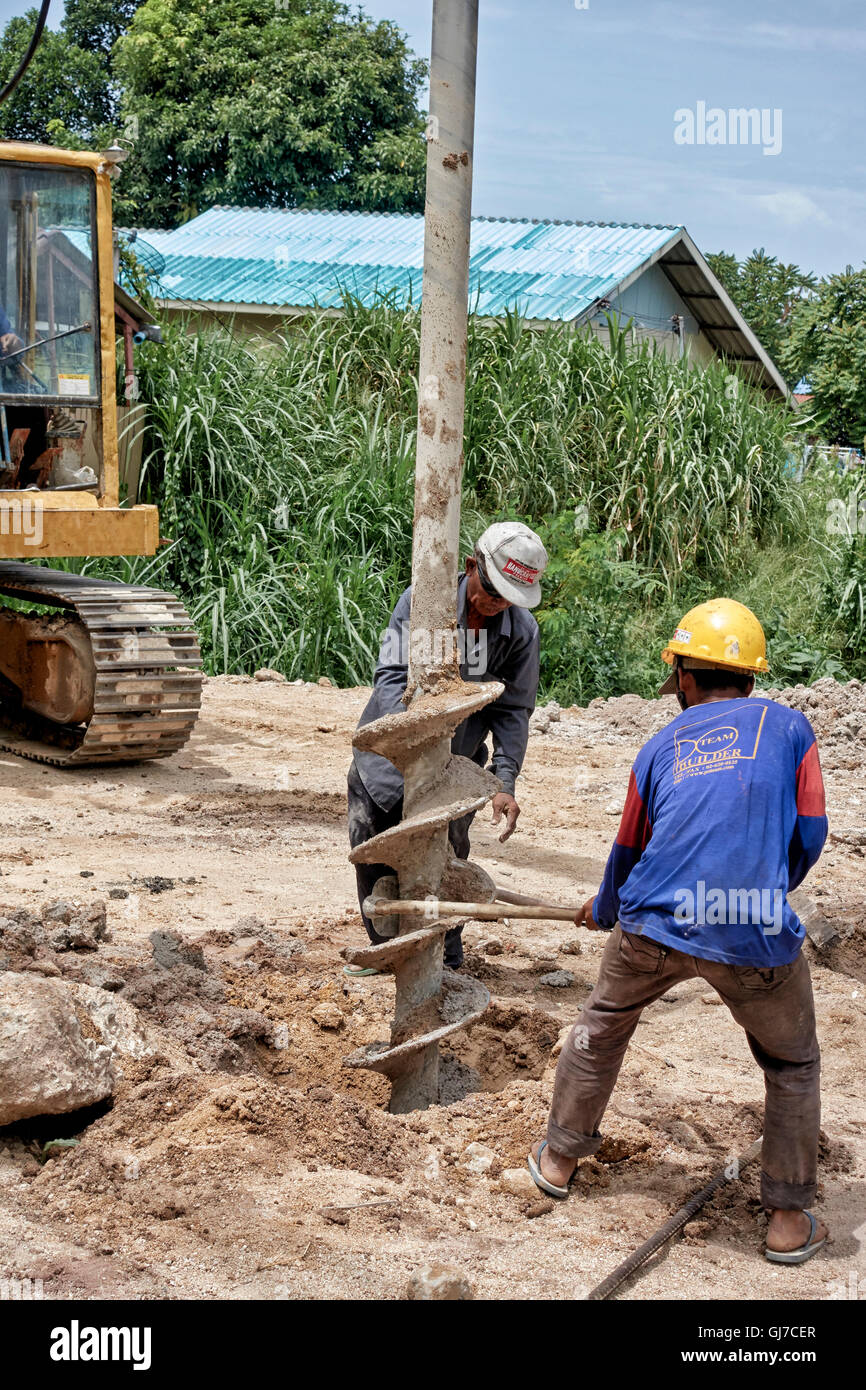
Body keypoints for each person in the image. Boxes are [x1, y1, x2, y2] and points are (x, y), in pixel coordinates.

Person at [528, 598, 830, 1265]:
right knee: (792, 1062)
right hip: (752, 927)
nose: (676, 696)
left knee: (602, 1023)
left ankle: (556, 1161)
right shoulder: (791, 730)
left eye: (678, 684)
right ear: (751, 676)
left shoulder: (662, 745)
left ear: (689, 678)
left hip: (653, 922)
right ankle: (785, 1221)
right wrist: (763, 888)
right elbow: (810, 834)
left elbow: (629, 847)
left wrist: (609, 907)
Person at [347, 521, 548, 971]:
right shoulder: (424, 607)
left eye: (508, 599)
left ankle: (444, 950)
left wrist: (505, 780)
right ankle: (387, 950)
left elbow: (513, 711)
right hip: (386, 765)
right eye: (492, 590)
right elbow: (392, 680)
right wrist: (412, 756)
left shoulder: (521, 633)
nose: (496, 604)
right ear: (472, 565)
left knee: (448, 858)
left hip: (454, 772)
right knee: (376, 851)